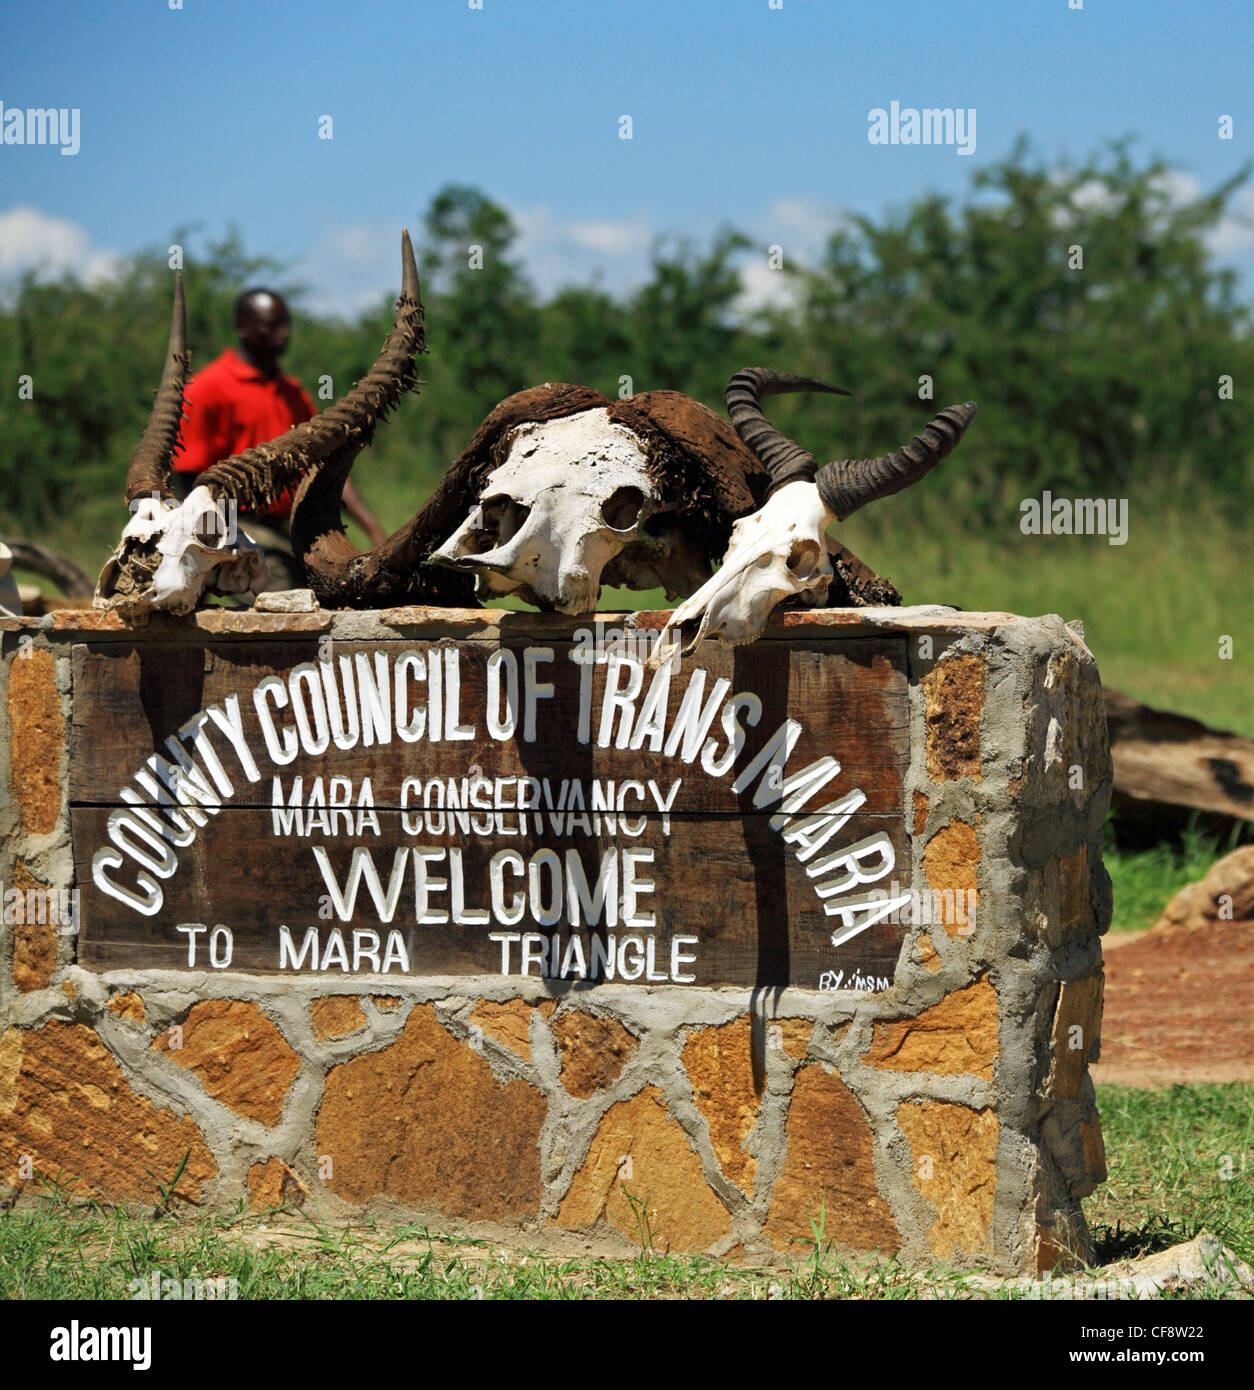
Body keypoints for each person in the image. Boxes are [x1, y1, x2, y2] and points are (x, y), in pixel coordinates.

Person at [172, 288, 388, 546]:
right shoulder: (207, 388)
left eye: (286, 324)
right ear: (243, 327)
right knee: (279, 579)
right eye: (272, 325)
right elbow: (189, 481)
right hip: (239, 528)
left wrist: (375, 532)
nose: (283, 333)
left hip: (299, 526)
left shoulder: (293, 392)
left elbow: (327, 465)